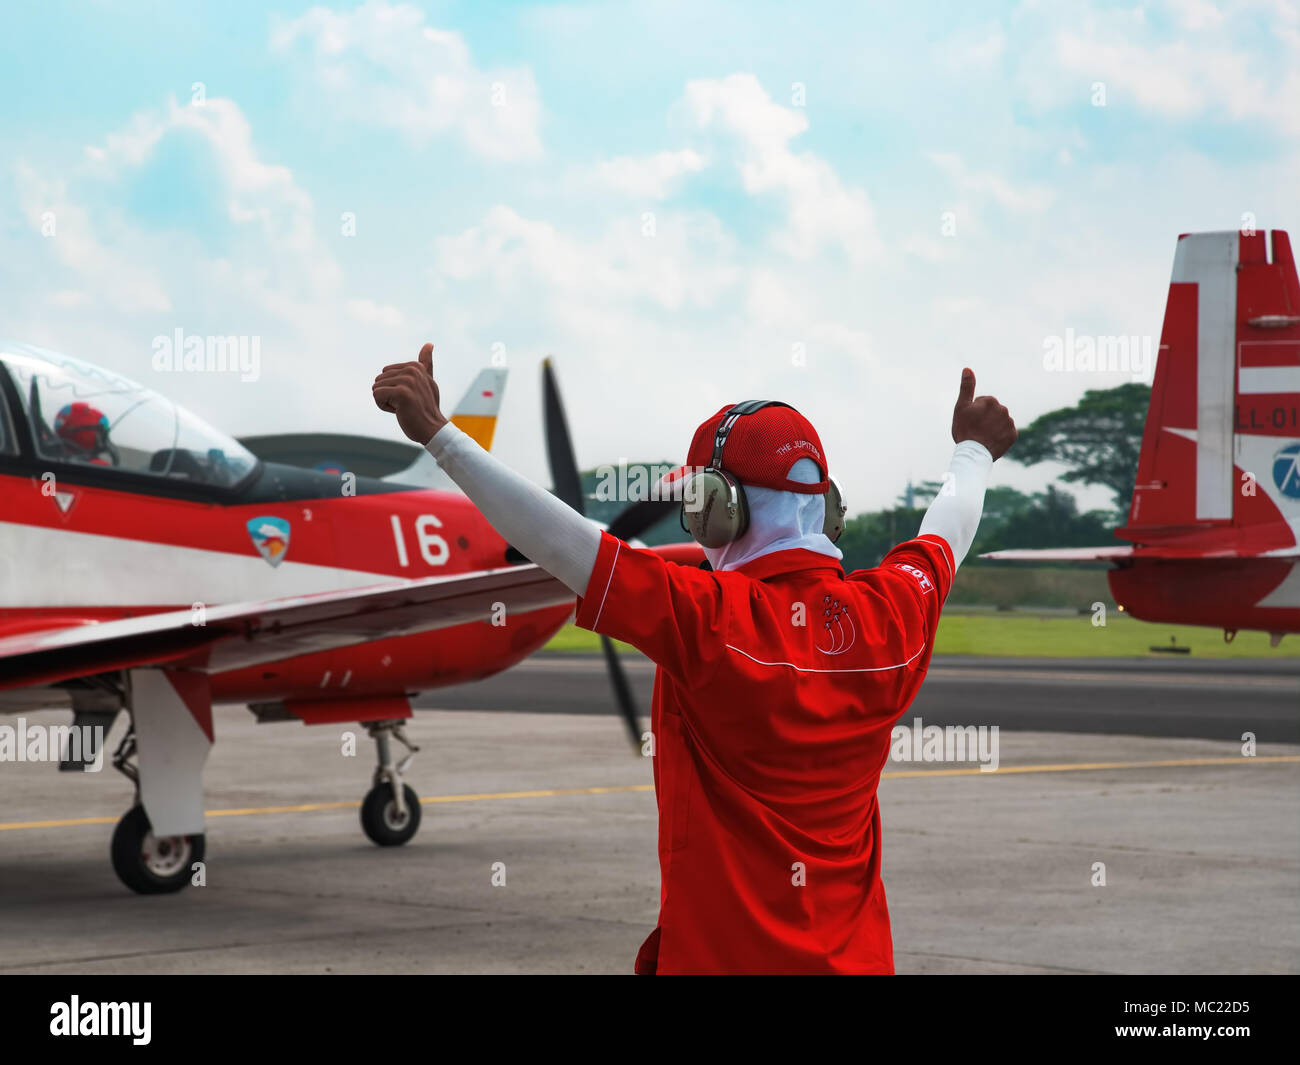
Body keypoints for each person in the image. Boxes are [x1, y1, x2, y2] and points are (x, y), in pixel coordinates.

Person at [374, 343, 1017, 974]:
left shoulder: (707, 617)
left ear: (715, 509)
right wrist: (973, 451)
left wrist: (439, 434)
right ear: (827, 505)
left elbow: (564, 543)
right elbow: (946, 531)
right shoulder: (893, 612)